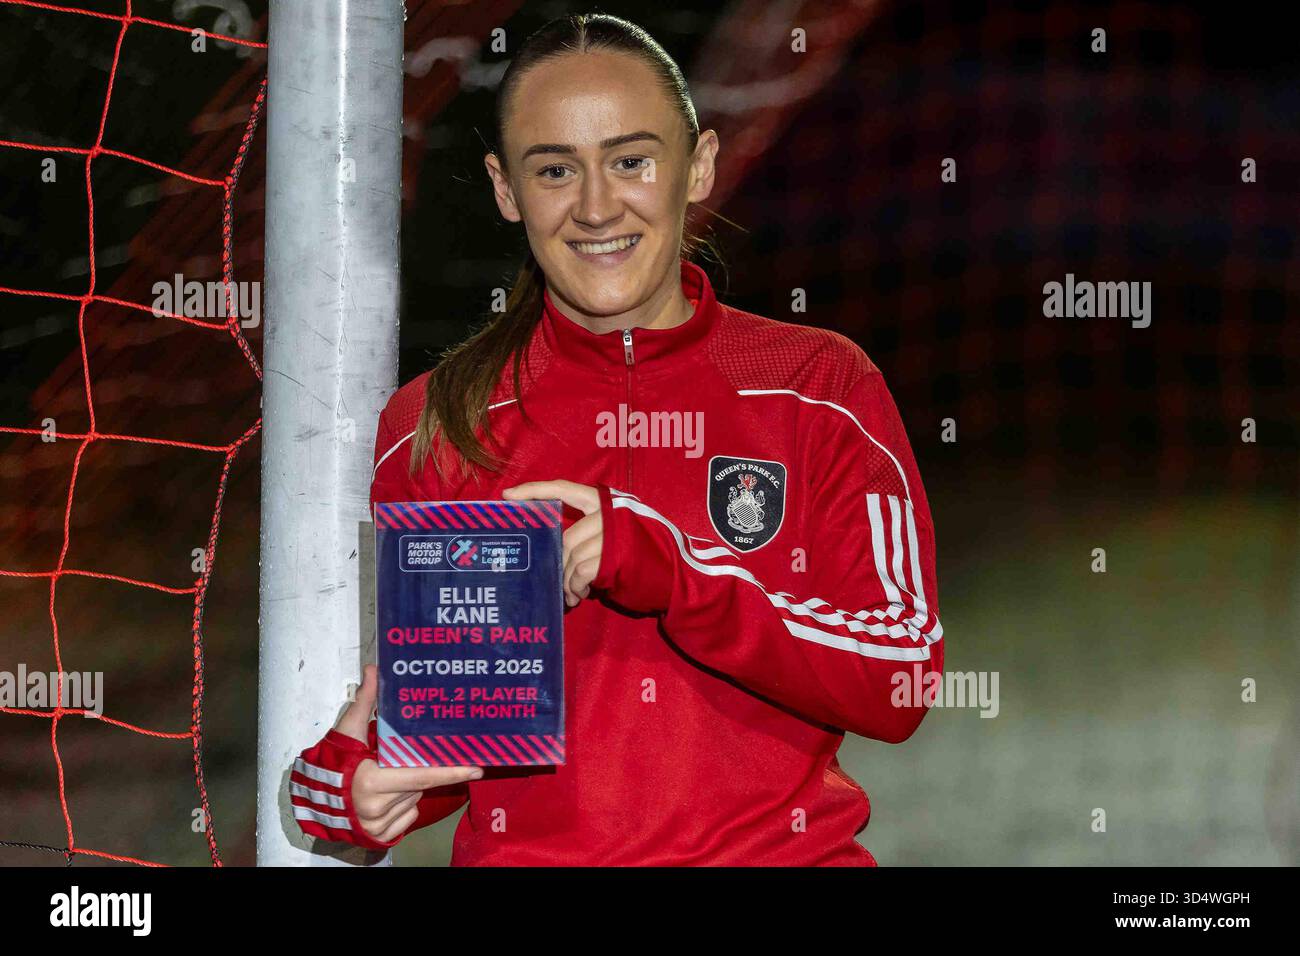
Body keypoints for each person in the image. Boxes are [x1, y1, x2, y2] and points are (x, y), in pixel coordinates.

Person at [290, 12, 944, 866]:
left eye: (631, 161)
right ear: (504, 188)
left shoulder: (817, 386)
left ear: (698, 164)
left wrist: (668, 568)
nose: (597, 206)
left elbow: (900, 678)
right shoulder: (437, 424)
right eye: (555, 169)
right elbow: (439, 735)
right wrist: (351, 787)